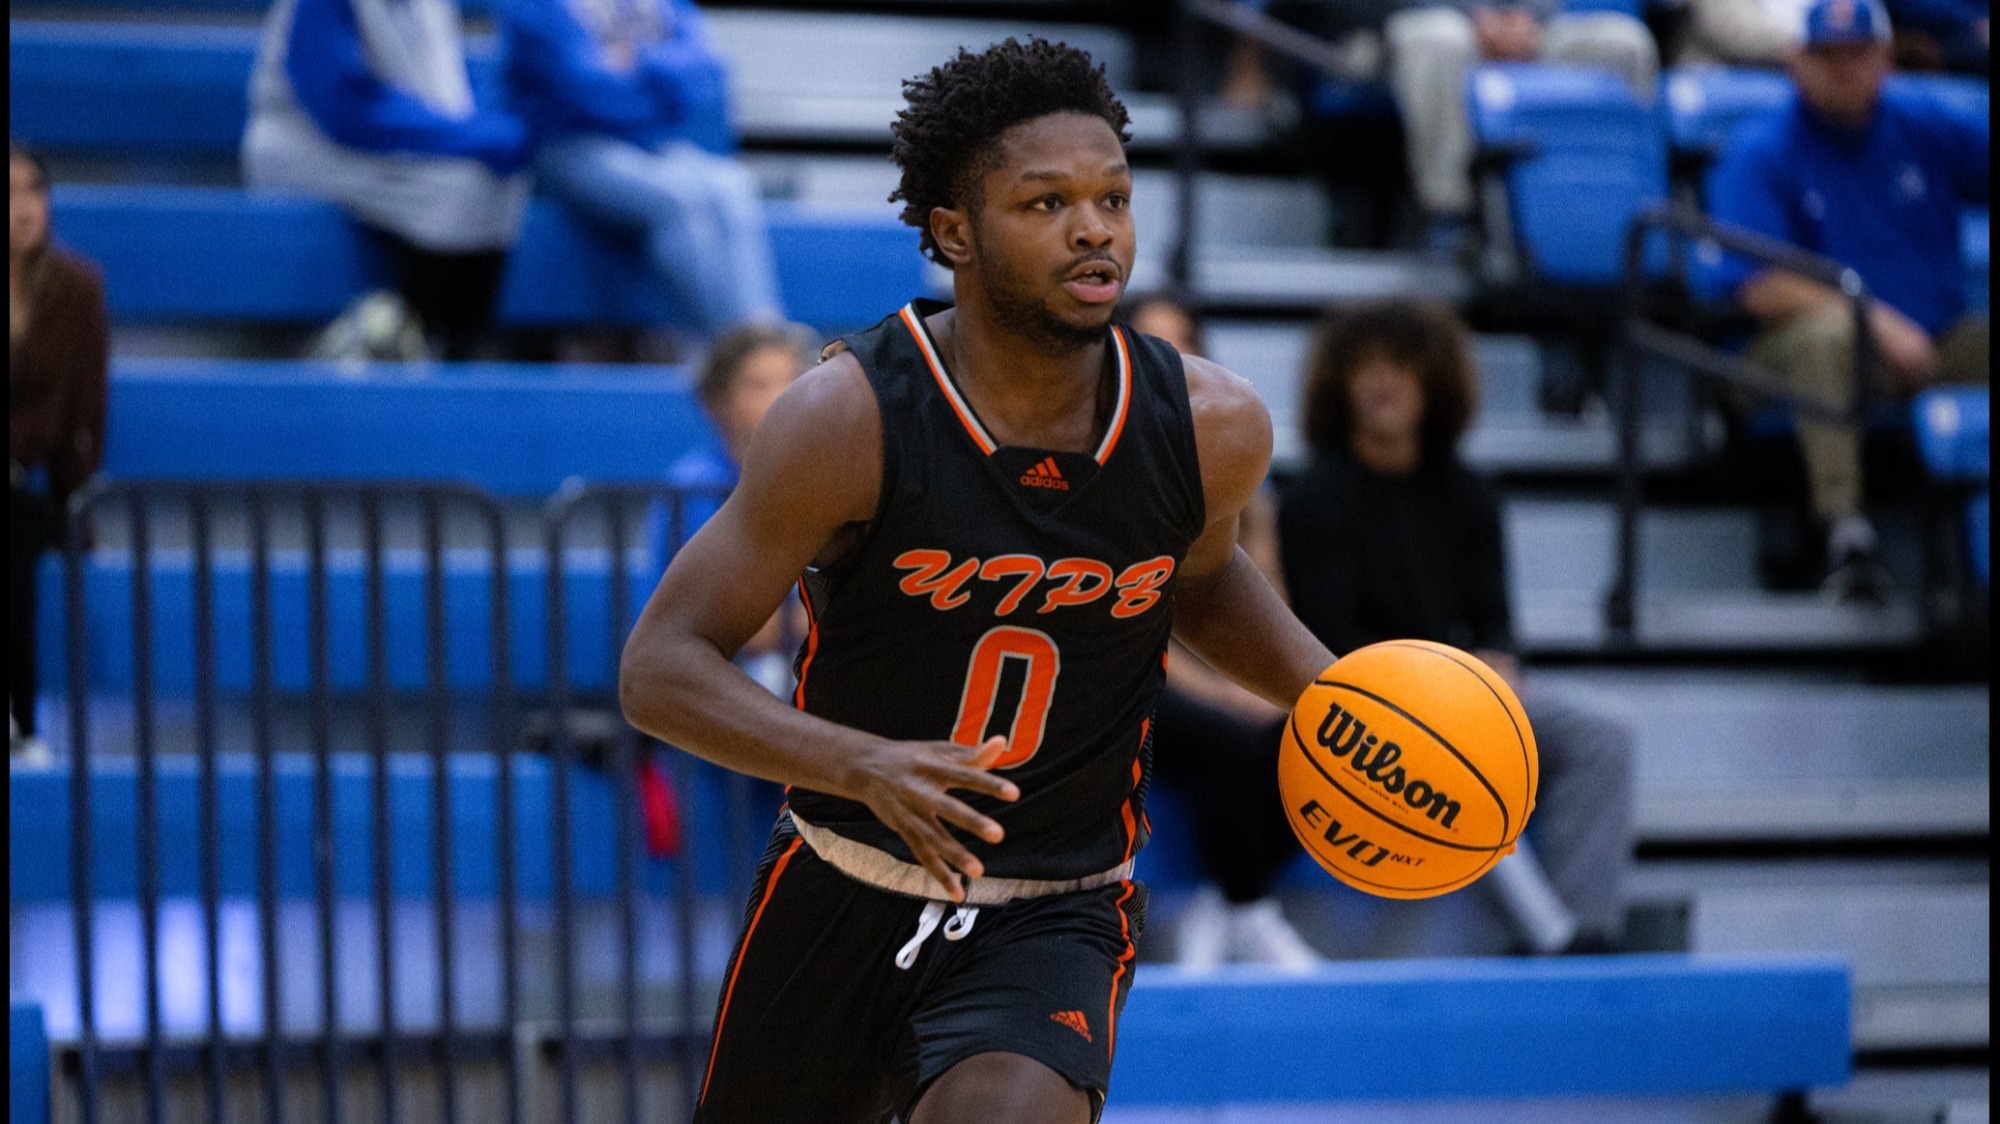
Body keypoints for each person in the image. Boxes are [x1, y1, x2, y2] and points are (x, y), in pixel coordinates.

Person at [619, 38, 1337, 1123]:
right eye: (1046, 203)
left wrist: (1337, 695)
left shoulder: (1210, 423)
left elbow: (1197, 577)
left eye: (1112, 198)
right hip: (841, 880)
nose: (1094, 229)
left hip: (1057, 908)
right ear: (953, 232)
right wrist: (861, 763)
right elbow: (660, 667)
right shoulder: (847, 418)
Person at [1277, 298, 1634, 955]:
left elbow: (1494, 618)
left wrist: (1498, 662)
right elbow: (1329, 644)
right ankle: (1543, 932)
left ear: (1434, 382)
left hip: (1465, 692)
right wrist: (1442, 689)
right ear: (1340, 384)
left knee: (1601, 737)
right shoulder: (1310, 499)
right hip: (1363, 707)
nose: (1383, 382)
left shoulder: (1470, 493)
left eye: (1401, 366)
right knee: (1451, 751)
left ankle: (1588, 937)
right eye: (1366, 367)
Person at [1706, 0, 1990, 601]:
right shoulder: (1762, 148)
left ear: (1884, 58)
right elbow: (1757, 285)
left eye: (1856, 55)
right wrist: (1872, 317)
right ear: (1796, 62)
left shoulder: (1922, 124)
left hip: (1933, 342)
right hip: (1777, 362)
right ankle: (1846, 535)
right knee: (1827, 338)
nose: (1842, 70)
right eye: (1826, 56)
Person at [1125, 293, 1321, 972]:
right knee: (1228, 742)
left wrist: (1272, 688)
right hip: (1125, 675)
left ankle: (1221, 904)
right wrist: (1227, 696)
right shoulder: (1106, 466)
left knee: (1312, 735)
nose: (1175, 361)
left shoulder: (1236, 467)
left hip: (1215, 672)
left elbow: (1262, 601)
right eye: (1156, 347)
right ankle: (1250, 910)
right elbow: (1136, 628)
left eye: (1186, 344)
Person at [242, 0, 533, 360]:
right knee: (461, 186)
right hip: (312, 146)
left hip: (393, 147)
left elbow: (453, 87)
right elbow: (341, 107)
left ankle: (458, 353)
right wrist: (464, 139)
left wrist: (474, 133)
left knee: (498, 182)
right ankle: (421, 349)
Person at [502, 0, 786, 346]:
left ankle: (764, 340)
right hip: (569, 148)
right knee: (678, 196)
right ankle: (731, 351)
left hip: (652, 143)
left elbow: (705, 71)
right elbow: (582, 91)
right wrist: (655, 93)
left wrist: (640, 62)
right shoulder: (538, 6)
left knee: (733, 184)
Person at [10, 142, 109, 761]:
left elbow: (83, 412)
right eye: (9, 193)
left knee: (15, 524)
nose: (24, 206)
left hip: (30, 490)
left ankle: (21, 721)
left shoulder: (76, 289)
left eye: (34, 190)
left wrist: (77, 505)